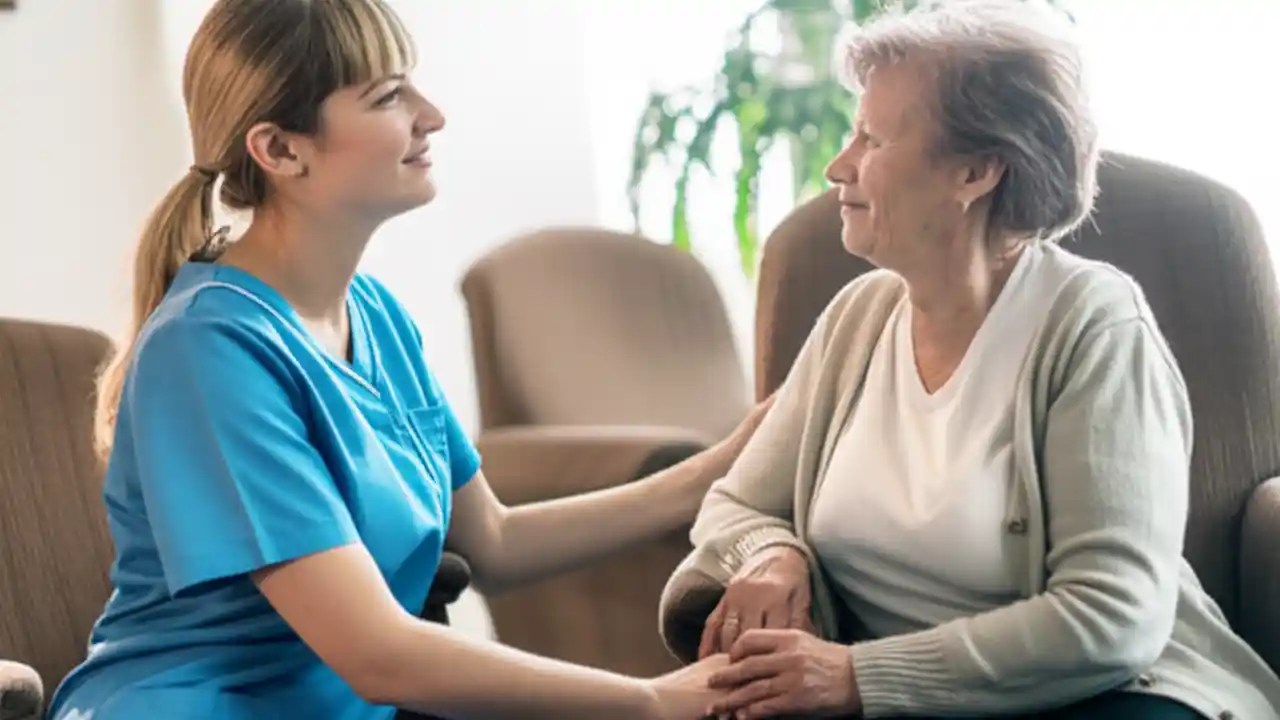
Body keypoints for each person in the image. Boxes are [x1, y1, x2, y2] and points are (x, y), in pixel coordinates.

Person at [46, 1, 766, 718]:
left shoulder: (376, 315)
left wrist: (715, 470)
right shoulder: (208, 350)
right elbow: (378, 654)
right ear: (280, 150)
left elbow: (497, 542)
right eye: (389, 97)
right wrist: (649, 703)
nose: (432, 115)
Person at [658, 2, 1280, 719]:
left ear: (976, 172)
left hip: (1103, 696)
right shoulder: (858, 319)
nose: (838, 166)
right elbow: (736, 503)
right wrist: (772, 554)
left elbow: (1113, 617)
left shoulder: (1094, 326)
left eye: (871, 138)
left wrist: (860, 678)